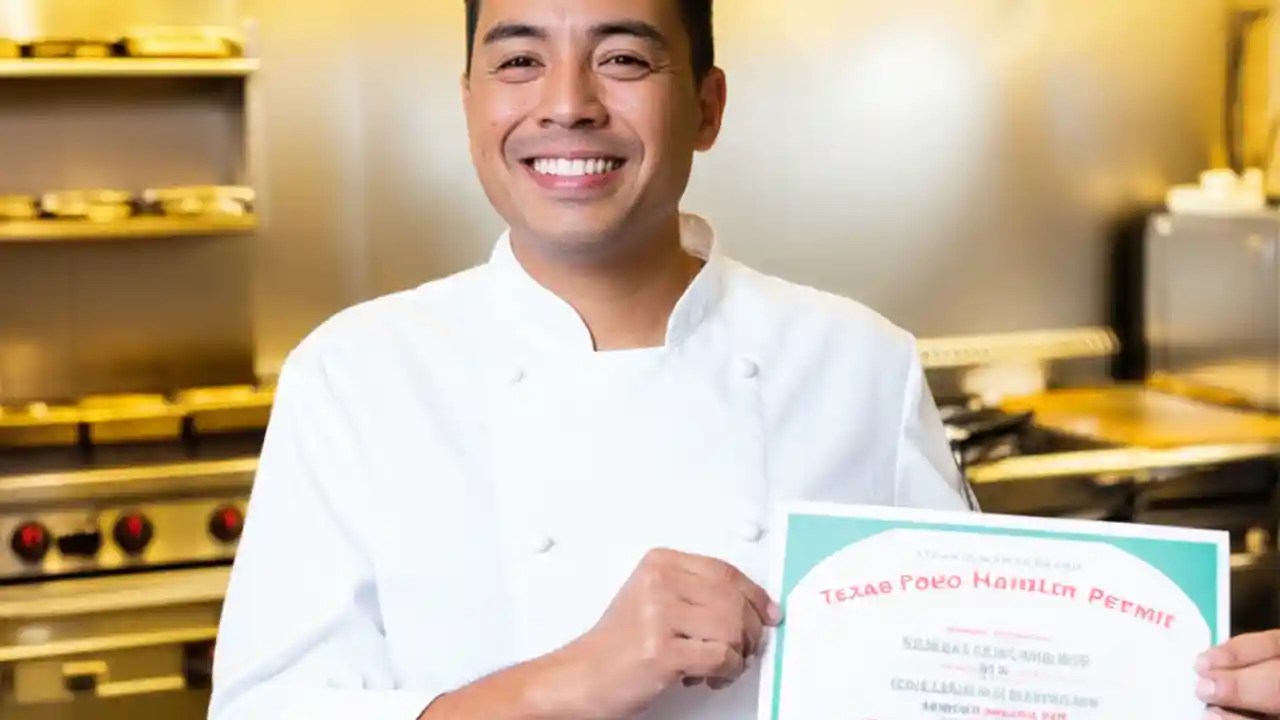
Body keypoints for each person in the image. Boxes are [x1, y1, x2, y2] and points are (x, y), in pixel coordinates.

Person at [206, 1, 1280, 718]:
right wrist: (579, 675)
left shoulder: (857, 361)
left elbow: (960, 686)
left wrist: (1186, 690)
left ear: (707, 107)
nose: (568, 100)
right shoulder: (354, 377)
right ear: (471, 105)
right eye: (519, 57)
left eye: (624, 58)